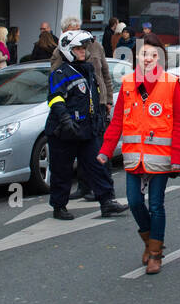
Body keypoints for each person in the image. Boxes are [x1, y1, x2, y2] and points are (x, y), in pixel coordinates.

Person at [99, 33, 180, 274]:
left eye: (153, 54)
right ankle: (150, 242)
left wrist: (178, 159)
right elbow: (117, 122)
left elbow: (179, 124)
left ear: (161, 58)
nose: (148, 58)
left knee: (156, 205)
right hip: (133, 157)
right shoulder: (128, 84)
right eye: (144, 54)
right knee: (136, 203)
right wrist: (105, 151)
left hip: (161, 157)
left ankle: (155, 254)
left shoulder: (171, 83)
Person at [47, 29, 128, 220]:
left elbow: (92, 98)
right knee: (62, 171)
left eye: (84, 48)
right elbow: (54, 98)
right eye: (78, 48)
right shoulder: (60, 73)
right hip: (64, 131)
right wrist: (65, 119)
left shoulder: (88, 70)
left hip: (87, 130)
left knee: (97, 165)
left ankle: (107, 202)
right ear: (68, 50)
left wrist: (98, 119)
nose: (83, 51)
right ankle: (59, 206)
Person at [52, 16, 115, 199]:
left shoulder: (95, 47)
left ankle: (105, 194)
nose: (78, 32)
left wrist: (108, 99)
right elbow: (56, 83)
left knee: (99, 151)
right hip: (74, 110)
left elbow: (104, 73)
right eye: (73, 30)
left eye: (79, 28)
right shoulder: (61, 55)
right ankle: (83, 187)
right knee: (76, 156)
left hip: (97, 105)